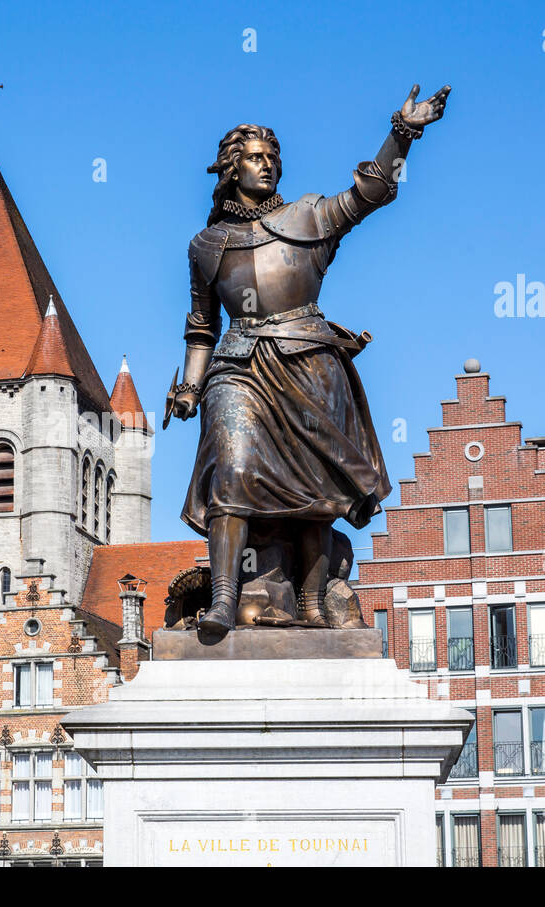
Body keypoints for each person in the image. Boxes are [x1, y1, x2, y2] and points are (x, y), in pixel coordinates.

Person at [170, 84, 451, 637]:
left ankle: (313, 598)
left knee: (315, 489)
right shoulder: (206, 245)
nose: (267, 165)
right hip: (239, 364)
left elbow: (366, 195)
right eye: (255, 157)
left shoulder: (308, 219)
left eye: (274, 157)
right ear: (231, 168)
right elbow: (202, 327)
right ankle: (224, 598)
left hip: (308, 360)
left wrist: (402, 133)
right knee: (231, 467)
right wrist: (190, 387)